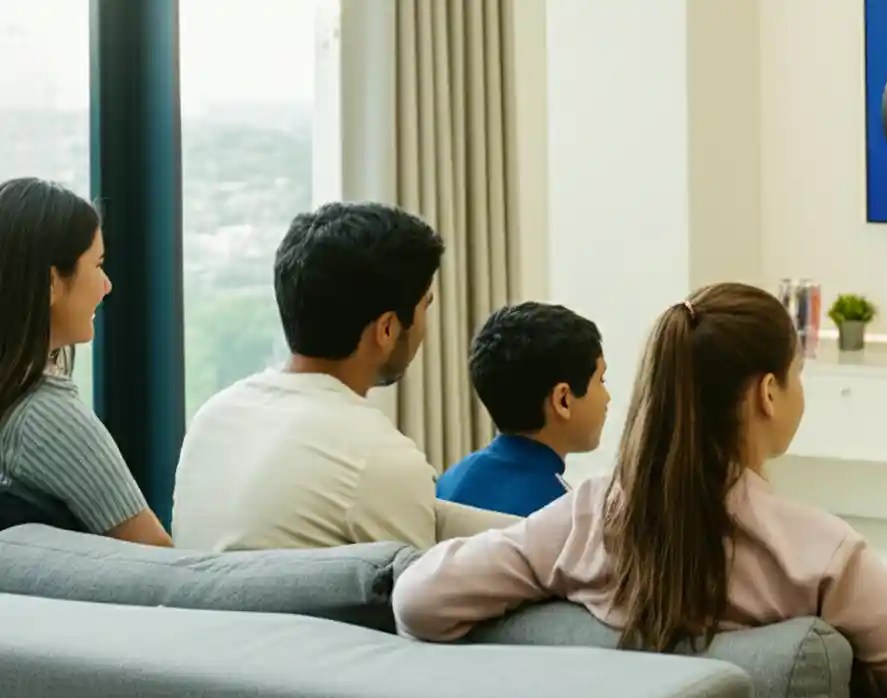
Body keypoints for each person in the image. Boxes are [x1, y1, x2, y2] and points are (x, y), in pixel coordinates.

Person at [391, 282, 887, 698]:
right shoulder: (819, 552)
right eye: (797, 374)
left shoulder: (584, 516)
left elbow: (418, 599)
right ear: (768, 393)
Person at [171, 202, 514, 551]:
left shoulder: (214, 417)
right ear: (387, 329)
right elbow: (422, 595)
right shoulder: (377, 458)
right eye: (426, 305)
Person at [0, 177, 171, 546]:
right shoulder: (45, 418)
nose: (106, 285)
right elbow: (160, 563)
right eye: (98, 265)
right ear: (51, 283)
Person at [436, 302, 609, 516]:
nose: (607, 398)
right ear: (562, 400)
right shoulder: (565, 515)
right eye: (601, 379)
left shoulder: (449, 481)